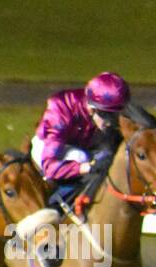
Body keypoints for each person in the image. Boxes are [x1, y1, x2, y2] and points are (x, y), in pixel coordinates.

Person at [31, 72, 131, 214]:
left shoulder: (105, 113)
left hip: (84, 146)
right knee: (80, 157)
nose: (111, 122)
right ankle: (52, 212)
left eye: (116, 115)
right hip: (49, 150)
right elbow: (50, 167)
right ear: (91, 109)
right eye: (107, 115)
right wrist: (88, 167)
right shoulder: (61, 109)